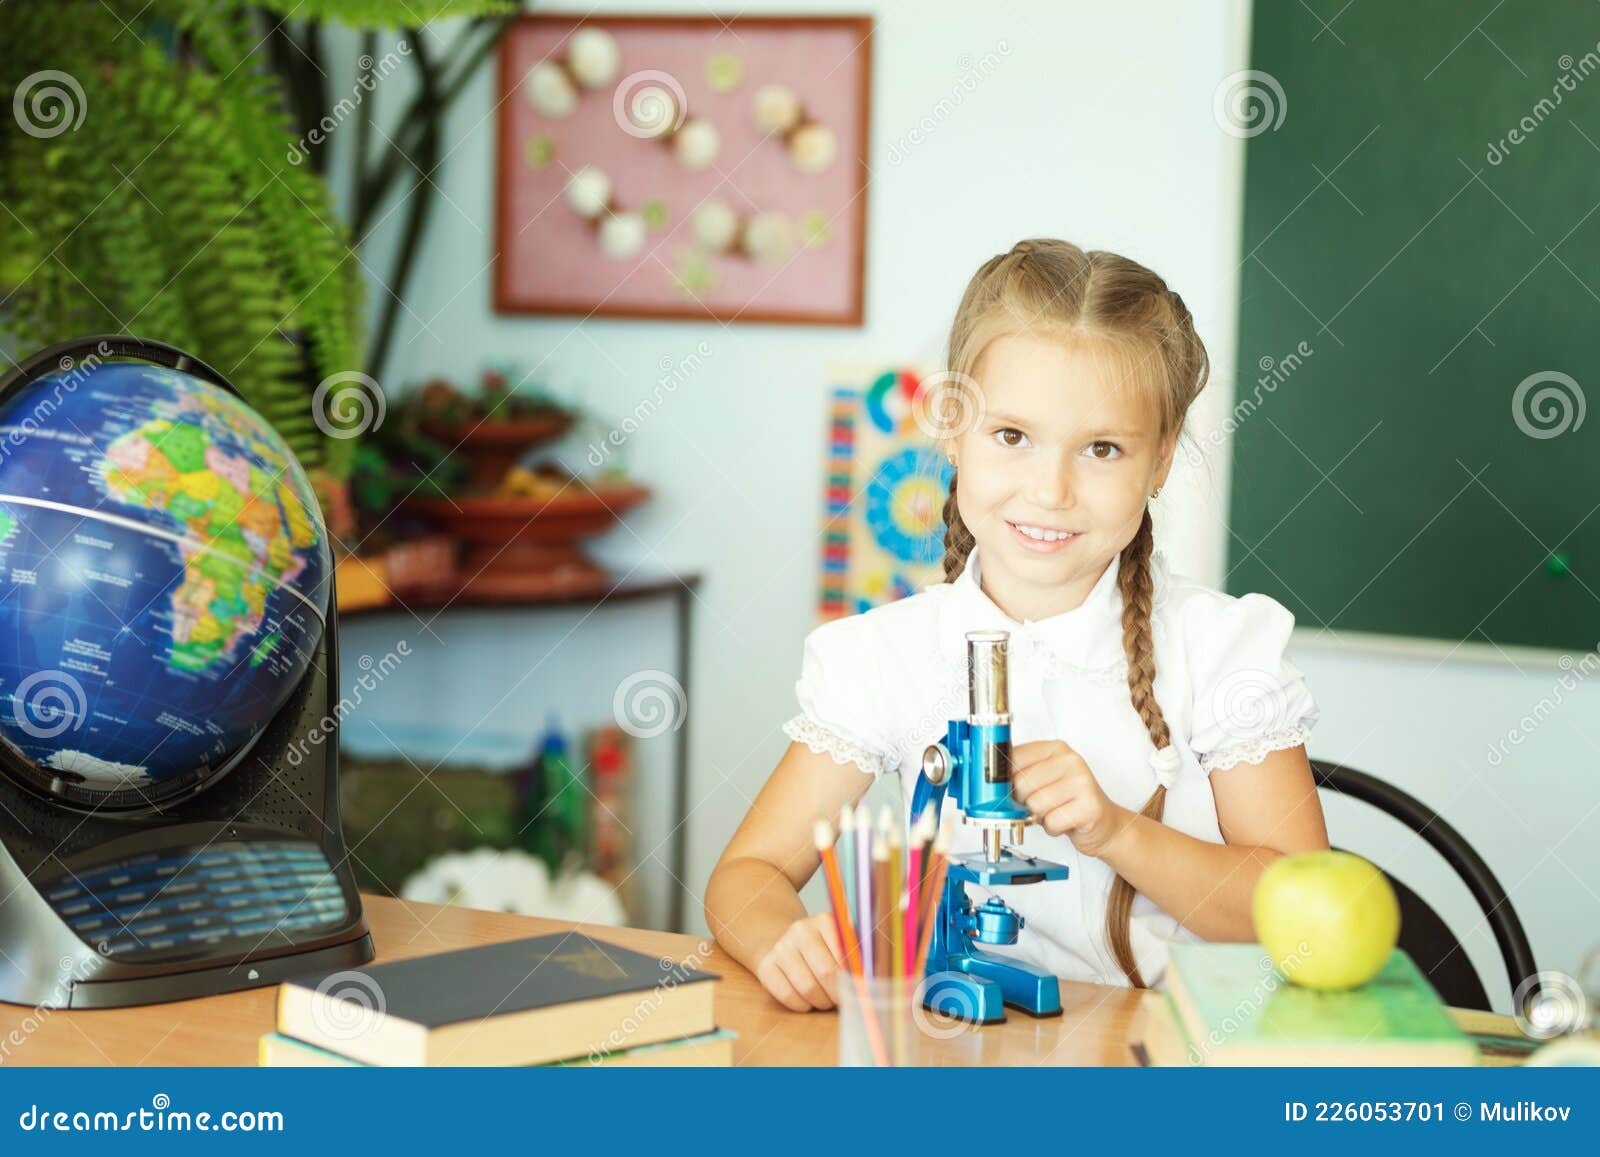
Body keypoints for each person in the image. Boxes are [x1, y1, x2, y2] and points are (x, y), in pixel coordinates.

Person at [704, 238, 1330, 1012]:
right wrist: (780, 939)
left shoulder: (1222, 649)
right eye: (1012, 436)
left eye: (1102, 448)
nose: (1051, 488)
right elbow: (745, 876)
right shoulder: (881, 655)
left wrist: (1116, 831)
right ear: (952, 430)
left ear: (1161, 460)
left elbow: (1306, 918)